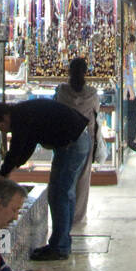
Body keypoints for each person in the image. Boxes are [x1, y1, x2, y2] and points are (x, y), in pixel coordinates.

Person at [0, 98, 90, 260]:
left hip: (72, 144)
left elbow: (18, 147)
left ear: (5, 117)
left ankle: (59, 248)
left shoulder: (20, 116)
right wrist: (10, 169)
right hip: (77, 141)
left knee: (59, 195)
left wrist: (3, 174)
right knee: (63, 193)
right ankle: (61, 243)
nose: (5, 132)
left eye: (1, 127)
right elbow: (28, 145)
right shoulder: (23, 113)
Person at [55, 56, 100, 231]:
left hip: (63, 137)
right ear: (85, 72)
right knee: (82, 177)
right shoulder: (92, 93)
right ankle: (78, 216)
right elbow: (96, 112)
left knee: (64, 177)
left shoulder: (62, 91)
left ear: (68, 71)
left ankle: (63, 215)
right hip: (85, 137)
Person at [122, 33, 136, 152]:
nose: (133, 46)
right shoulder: (126, 56)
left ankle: (128, 139)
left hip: (128, 90)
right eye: (133, 44)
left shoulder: (128, 56)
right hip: (128, 91)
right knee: (133, 116)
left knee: (130, 115)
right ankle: (129, 140)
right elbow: (126, 74)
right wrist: (130, 91)